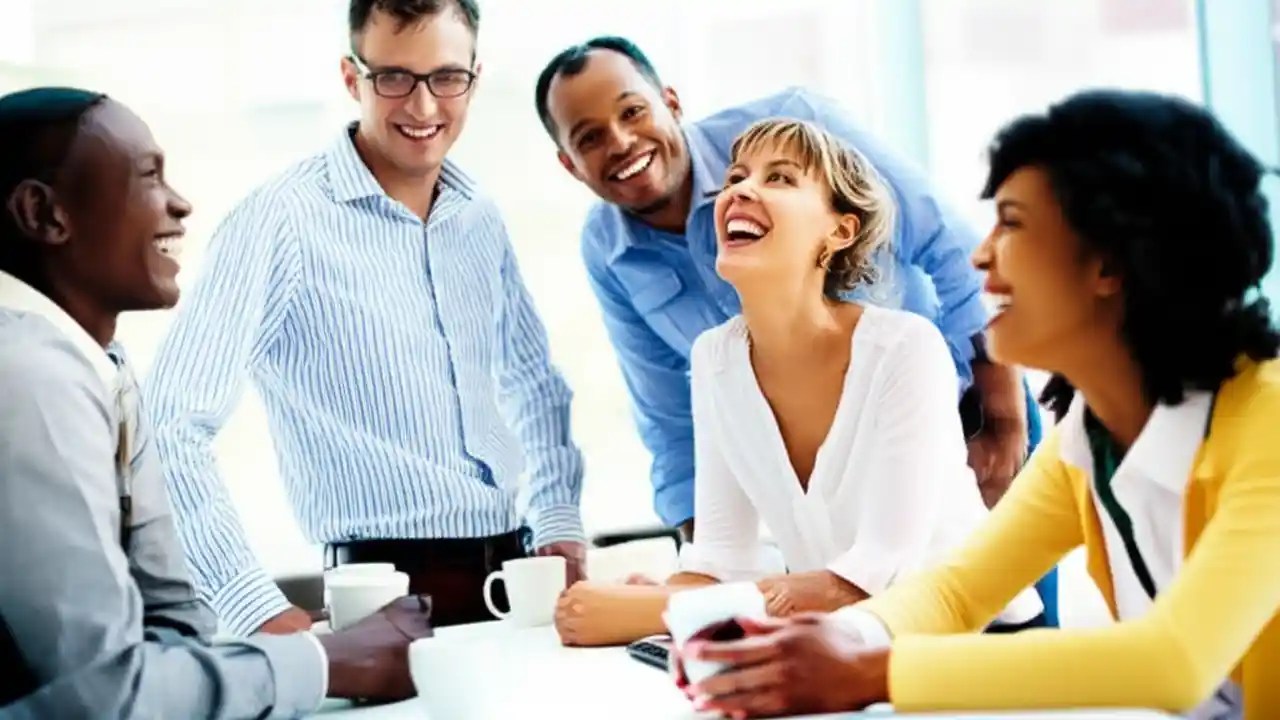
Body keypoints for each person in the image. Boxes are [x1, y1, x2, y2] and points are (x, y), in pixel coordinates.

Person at [676, 90, 1280, 720]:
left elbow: (1176, 662)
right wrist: (827, 643)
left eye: (1013, 223)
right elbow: (958, 592)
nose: (981, 255)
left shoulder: (1269, 422)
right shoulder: (1090, 436)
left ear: (1109, 262)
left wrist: (869, 670)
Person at [535, 35, 1058, 626]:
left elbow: (953, 247)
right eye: (589, 137)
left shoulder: (796, 127)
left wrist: (1002, 416)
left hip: (966, 404)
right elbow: (667, 420)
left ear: (670, 102)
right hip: (856, 617)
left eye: (632, 111)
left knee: (1013, 618)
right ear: (569, 165)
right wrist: (687, 584)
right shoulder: (705, 347)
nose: (621, 141)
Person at [144, 0, 586, 639]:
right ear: (353, 79)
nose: (424, 106)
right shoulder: (281, 221)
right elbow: (170, 425)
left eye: (446, 77)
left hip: (515, 595)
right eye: (394, 77)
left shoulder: (478, 216)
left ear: (473, 79)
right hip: (379, 604)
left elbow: (534, 385)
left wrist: (560, 523)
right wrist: (251, 606)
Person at [0, 86, 432, 718]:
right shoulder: (27, 376)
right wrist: (331, 659)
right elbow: (108, 695)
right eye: (148, 176)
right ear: (44, 214)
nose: (180, 203)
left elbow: (171, 626)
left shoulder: (100, 365)